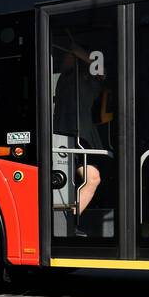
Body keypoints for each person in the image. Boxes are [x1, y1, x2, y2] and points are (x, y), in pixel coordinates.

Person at [53, 40, 105, 229]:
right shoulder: (64, 79)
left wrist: (79, 52)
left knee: (91, 178)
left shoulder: (87, 79)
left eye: (67, 56)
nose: (63, 60)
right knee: (86, 179)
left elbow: (102, 73)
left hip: (80, 137)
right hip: (63, 137)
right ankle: (67, 224)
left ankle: (69, 223)